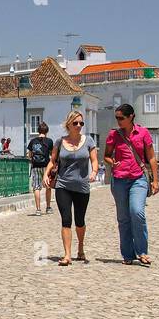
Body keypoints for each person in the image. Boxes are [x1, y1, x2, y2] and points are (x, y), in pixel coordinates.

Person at [103, 102, 159, 266]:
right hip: (119, 179)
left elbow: (151, 158)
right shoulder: (114, 134)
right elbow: (106, 155)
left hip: (138, 178)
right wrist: (112, 162)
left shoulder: (143, 133)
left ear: (131, 116)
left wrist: (155, 180)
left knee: (137, 212)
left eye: (121, 118)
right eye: (116, 118)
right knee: (123, 218)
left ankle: (142, 252)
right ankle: (128, 254)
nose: (118, 121)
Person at [44, 109, 99, 266]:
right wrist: (45, 174)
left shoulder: (88, 141)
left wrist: (94, 172)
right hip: (63, 185)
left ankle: (80, 247)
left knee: (80, 220)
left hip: (82, 186)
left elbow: (94, 160)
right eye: (75, 123)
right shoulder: (60, 142)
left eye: (81, 123)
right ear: (69, 124)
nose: (79, 125)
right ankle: (67, 254)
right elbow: (52, 161)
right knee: (66, 219)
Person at [26, 122, 55, 215]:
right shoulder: (49, 141)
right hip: (46, 167)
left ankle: (38, 209)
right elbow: (52, 155)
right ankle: (48, 207)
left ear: (38, 130)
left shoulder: (33, 141)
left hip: (35, 167)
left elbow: (29, 155)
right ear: (47, 131)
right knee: (48, 187)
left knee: (36, 188)